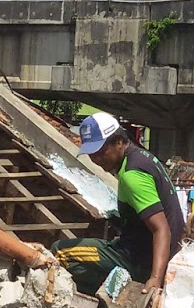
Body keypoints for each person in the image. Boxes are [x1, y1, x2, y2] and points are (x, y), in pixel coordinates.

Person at [53, 111, 185, 297]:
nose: (96, 160)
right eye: (91, 154)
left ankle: (108, 297)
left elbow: (161, 228)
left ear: (119, 142)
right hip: (147, 251)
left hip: (139, 261)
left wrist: (155, 278)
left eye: (101, 152)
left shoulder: (132, 175)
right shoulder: (142, 157)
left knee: (60, 252)